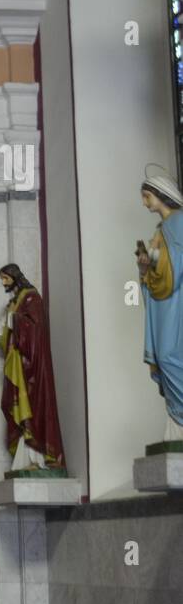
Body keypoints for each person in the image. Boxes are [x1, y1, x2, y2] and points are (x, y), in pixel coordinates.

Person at [0, 264, 66, 471]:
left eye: (5, 279)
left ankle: (38, 458)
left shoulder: (32, 298)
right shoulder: (15, 303)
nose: (4, 283)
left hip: (31, 366)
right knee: (18, 410)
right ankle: (26, 459)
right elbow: (5, 329)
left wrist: (14, 319)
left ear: (15, 277)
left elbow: (35, 328)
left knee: (33, 408)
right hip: (17, 366)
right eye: (2, 279)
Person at [138, 165, 183, 440]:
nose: (144, 203)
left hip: (177, 299)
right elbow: (156, 271)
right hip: (162, 301)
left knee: (168, 355)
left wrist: (152, 258)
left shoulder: (178, 222)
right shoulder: (161, 228)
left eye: (146, 197)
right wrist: (144, 267)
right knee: (166, 356)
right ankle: (177, 416)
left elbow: (176, 263)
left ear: (160, 193)